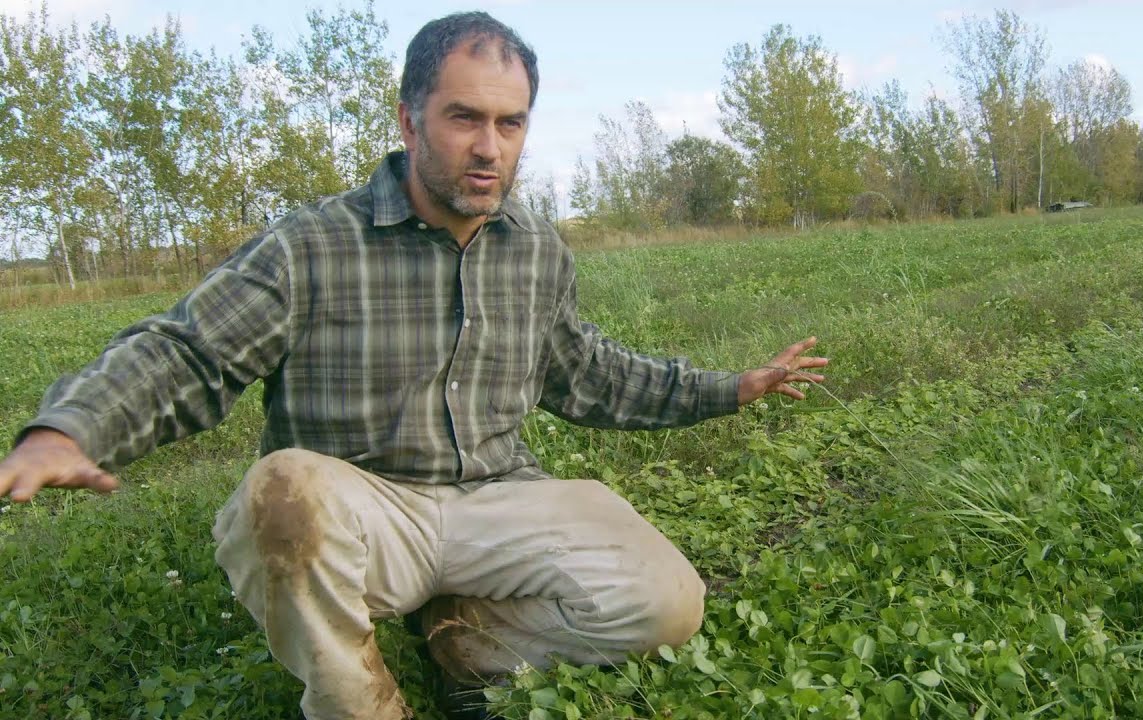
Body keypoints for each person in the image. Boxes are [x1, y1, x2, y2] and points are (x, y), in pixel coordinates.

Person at [0, 11, 828, 720]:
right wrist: (68, 427)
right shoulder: (313, 244)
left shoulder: (534, 248)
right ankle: (362, 700)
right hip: (369, 516)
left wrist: (733, 387)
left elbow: (590, 373)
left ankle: (467, 645)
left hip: (499, 501)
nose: (489, 148)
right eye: (464, 117)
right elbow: (188, 349)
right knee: (280, 494)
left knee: (667, 601)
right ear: (408, 121)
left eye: (511, 124)